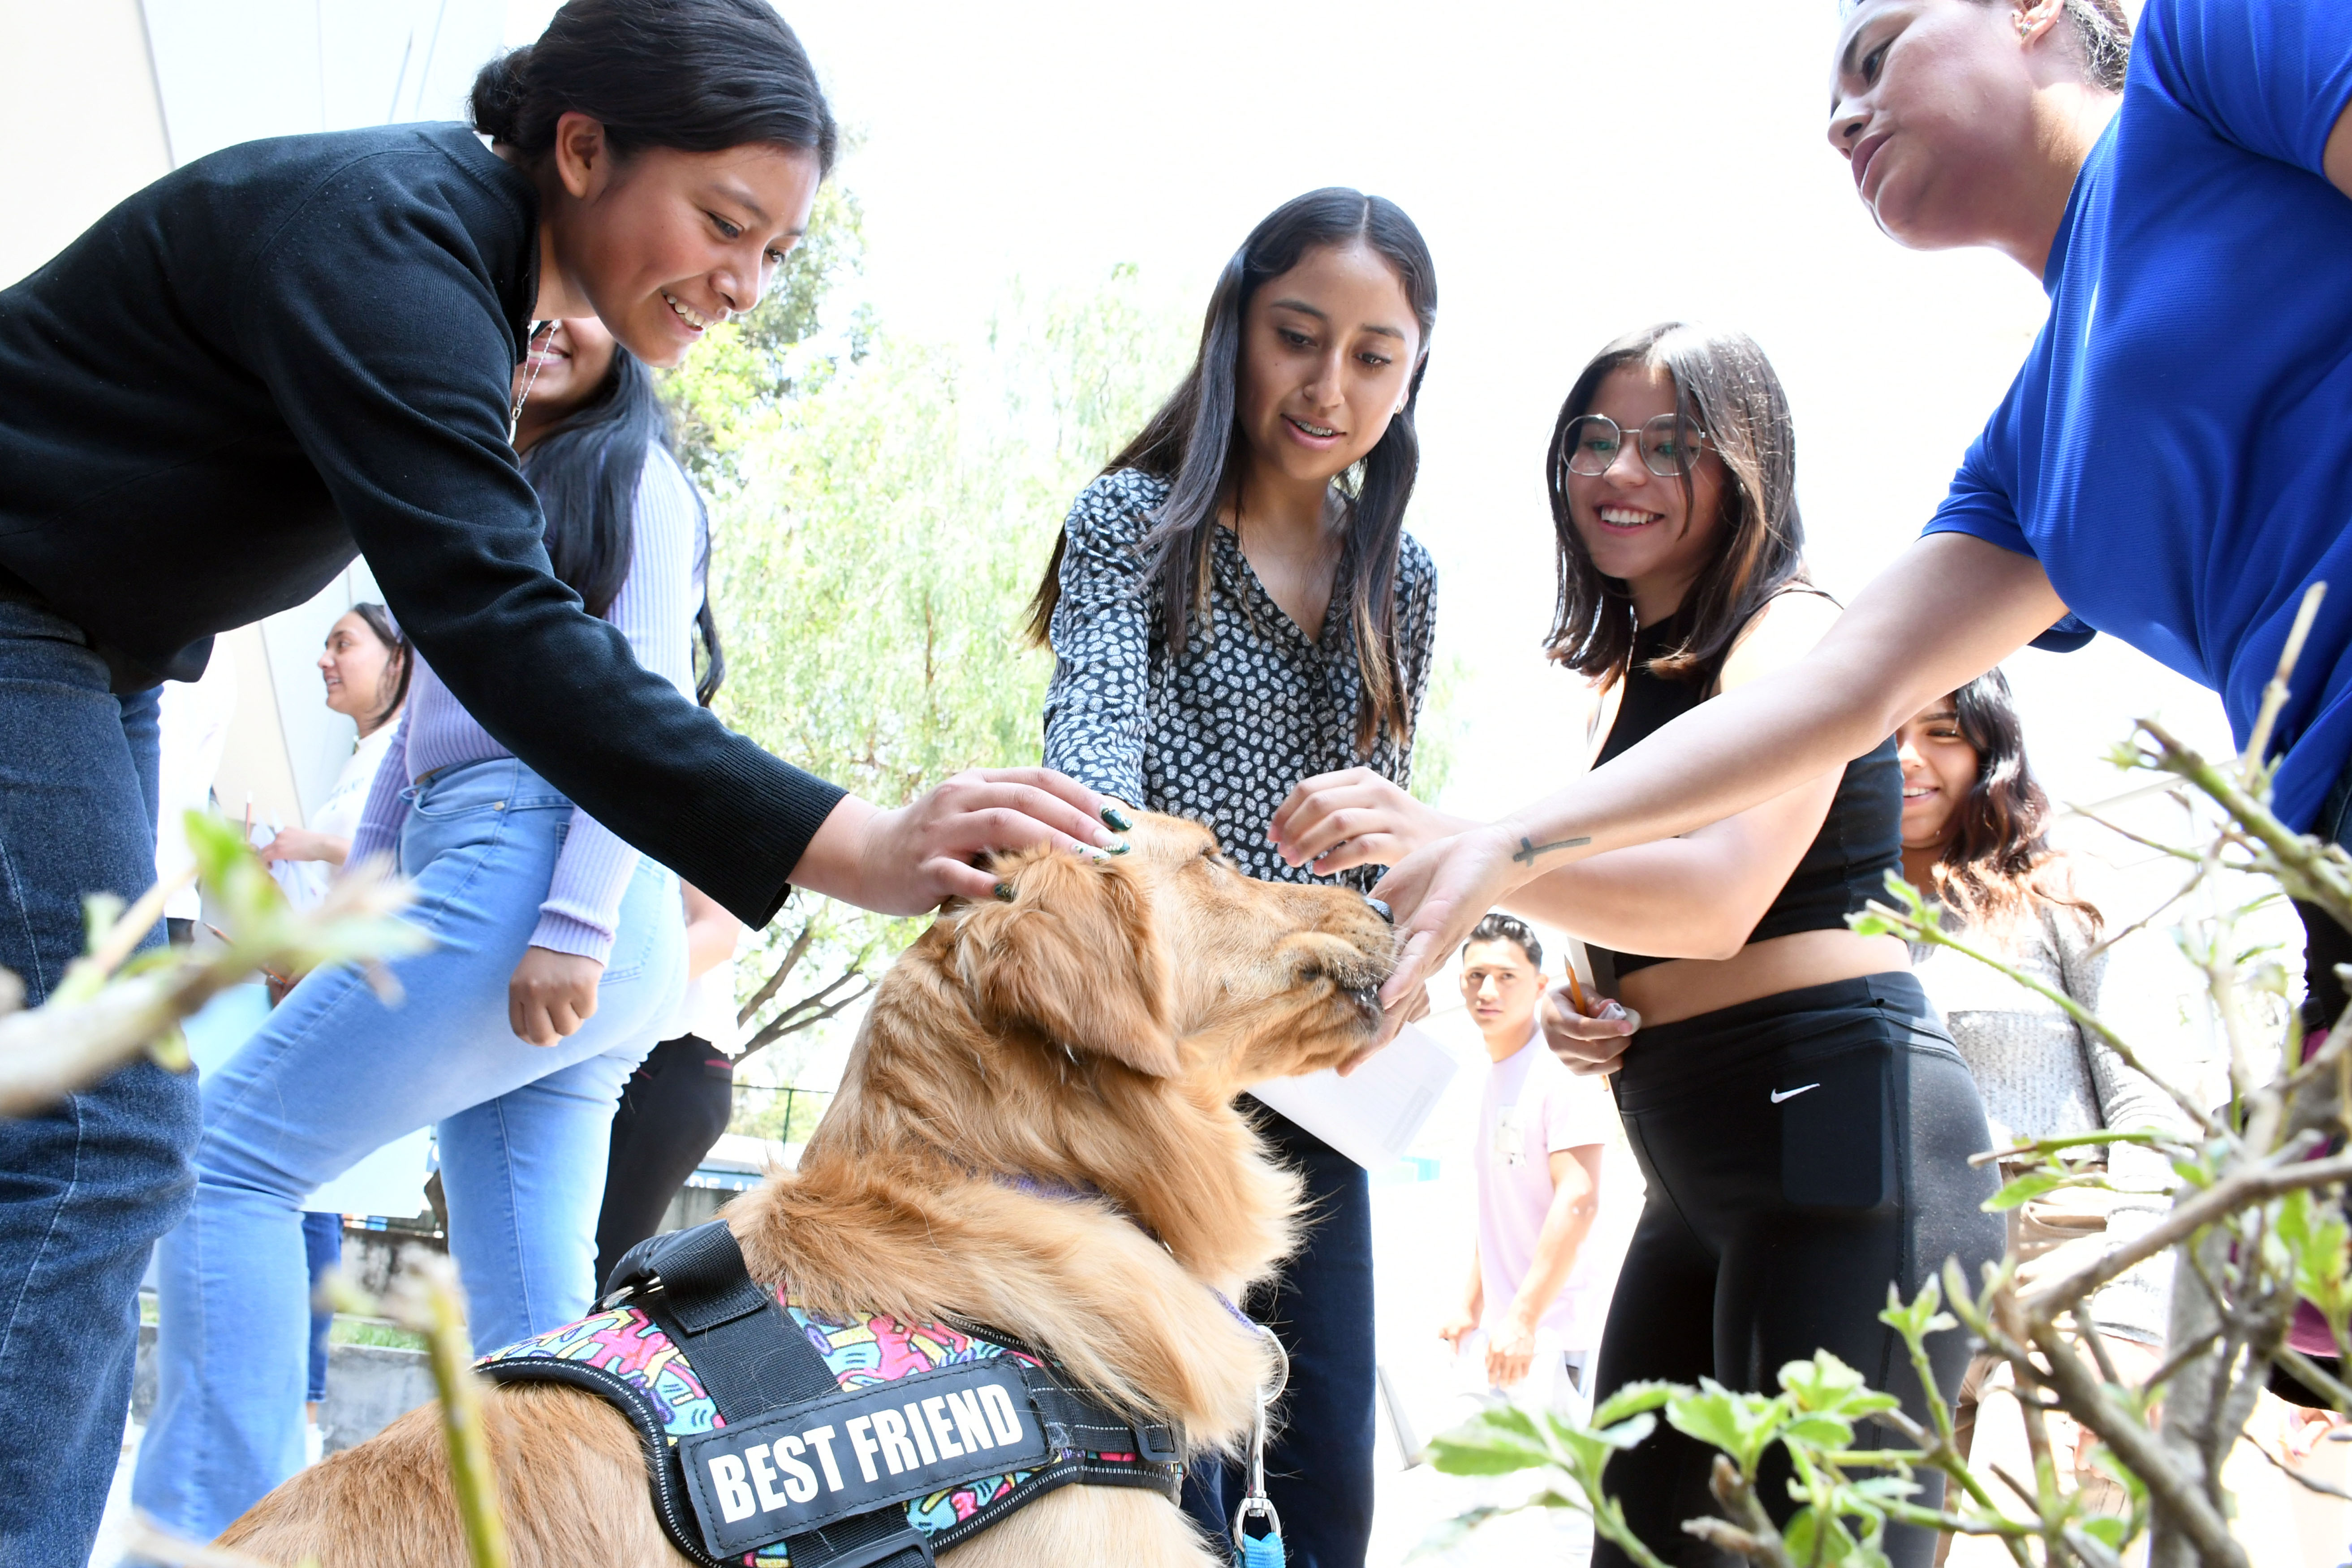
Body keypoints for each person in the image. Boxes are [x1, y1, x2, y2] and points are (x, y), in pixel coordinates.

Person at [0, 3, 1120, 1556]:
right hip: (29, 619)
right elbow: (508, 638)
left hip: (121, 655)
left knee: (498, 1277)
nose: (743, 284)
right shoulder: (395, 249)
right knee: (113, 1134)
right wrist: (848, 839)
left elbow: (548, 663)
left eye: (780, 253)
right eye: (725, 224)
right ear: (580, 151)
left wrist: (583, 920)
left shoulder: (511, 344)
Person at [1367, 0, 2352, 1067]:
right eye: (1836, 102)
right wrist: (1505, 846)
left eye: (1877, 56)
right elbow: (1831, 697)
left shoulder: (2209, 45)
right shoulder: (2025, 453)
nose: (1844, 122)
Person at [1272, 323, 2003, 1566]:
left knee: (1814, 1547)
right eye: (1594, 440)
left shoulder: (1792, 632)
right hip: (1699, 1178)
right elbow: (1645, 910)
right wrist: (1587, 997)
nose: (1621, 470)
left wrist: (1472, 837)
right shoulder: (1625, 680)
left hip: (1842, 1139)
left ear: (1747, 468)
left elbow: (1723, 897)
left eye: (1671, 446)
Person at [139, 316, 709, 1538]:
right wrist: (375, 882)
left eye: (581, 303)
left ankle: (211, 1545)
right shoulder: (486, 480)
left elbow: (647, 707)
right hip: (516, 880)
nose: (549, 326)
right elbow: (413, 740)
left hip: (548, 875)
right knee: (530, 1315)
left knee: (223, 1159)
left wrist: (576, 915)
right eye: (526, 302)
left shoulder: (636, 480)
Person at [1031, 186, 1439, 1567]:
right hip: (1157, 1061)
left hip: (1322, 1074)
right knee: (1159, 1462)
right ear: (1236, 333)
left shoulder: (1404, 575)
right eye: (1297, 335)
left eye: (1374, 353)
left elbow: (1380, 846)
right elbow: (1085, 777)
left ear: (1413, 371)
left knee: (1323, 1483)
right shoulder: (1132, 523)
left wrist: (1415, 930)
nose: (1330, 385)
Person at [1892, 672, 2188, 1553]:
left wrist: (2134, 1319)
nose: (1909, 757)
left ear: (1992, 748)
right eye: (1887, 731)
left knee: (2073, 1541)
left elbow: (2154, 1108)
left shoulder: (2065, 890)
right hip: (1894, 1264)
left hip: (2065, 1251)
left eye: (1943, 732)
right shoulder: (1820, 920)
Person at [1436, 915, 1615, 1413]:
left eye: (1506, 976)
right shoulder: (1489, 1075)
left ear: (1539, 985)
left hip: (1556, 1336)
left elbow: (1579, 1197)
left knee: (1557, 1488)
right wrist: (1470, 1304)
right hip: (1509, 1334)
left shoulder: (1562, 1067)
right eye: (1475, 976)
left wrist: (1523, 1319)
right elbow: (1499, 1208)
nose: (1487, 989)